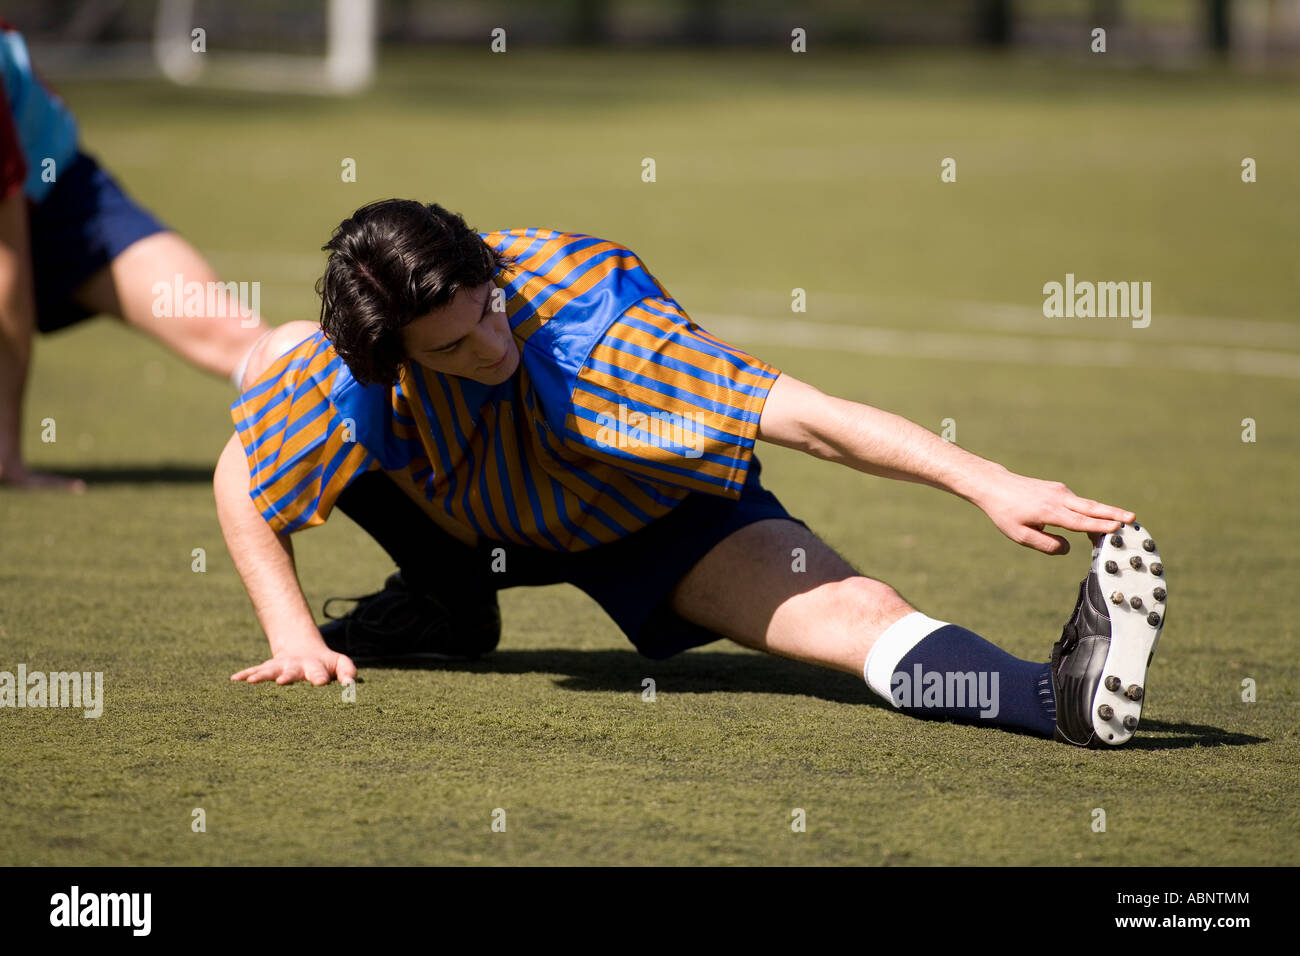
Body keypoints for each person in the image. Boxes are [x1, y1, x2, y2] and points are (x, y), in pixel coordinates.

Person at [216, 199, 1169, 748]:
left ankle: (1060, 701)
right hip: (477, 518)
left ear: (486, 270)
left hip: (646, 517)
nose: (489, 344)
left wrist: (987, 482)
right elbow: (243, 472)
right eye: (453, 349)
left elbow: (811, 421)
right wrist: (292, 635)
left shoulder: (600, 332)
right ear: (393, 354)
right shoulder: (343, 367)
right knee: (274, 363)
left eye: (487, 311)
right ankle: (447, 598)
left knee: (854, 614)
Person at [0, 18, 267, 490]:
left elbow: (8, 268)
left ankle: (397, 435)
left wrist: (4, 451)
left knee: (245, 342)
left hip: (63, 196)